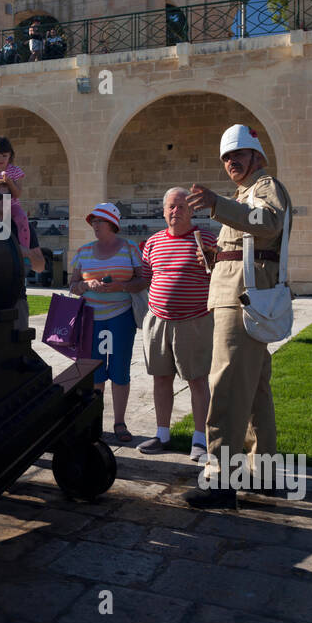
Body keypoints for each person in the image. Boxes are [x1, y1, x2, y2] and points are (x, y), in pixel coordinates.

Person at [184, 125, 293, 509]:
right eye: (227, 157)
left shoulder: (265, 187)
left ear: (257, 158)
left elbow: (268, 223)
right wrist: (214, 257)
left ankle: (220, 478)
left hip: (242, 299)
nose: (232, 162)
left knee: (227, 385)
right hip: (240, 294)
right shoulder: (246, 193)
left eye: (239, 155)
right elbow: (249, 247)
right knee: (255, 388)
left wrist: (216, 204)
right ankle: (261, 472)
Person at [134, 188, 218, 459]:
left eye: (181, 206)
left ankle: (200, 439)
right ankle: (162, 434)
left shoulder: (205, 238)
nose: (175, 211)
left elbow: (219, 274)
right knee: (161, 378)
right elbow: (145, 278)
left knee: (197, 380)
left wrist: (214, 260)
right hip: (158, 320)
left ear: (192, 211)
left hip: (194, 321)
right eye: (171, 206)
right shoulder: (153, 242)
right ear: (163, 210)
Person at [70, 203, 144, 443]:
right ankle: (95, 422)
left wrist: (121, 286)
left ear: (112, 224)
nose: (95, 225)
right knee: (96, 373)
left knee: (120, 371)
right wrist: (86, 285)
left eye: (99, 221)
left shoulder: (130, 248)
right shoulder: (83, 251)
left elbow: (143, 280)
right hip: (92, 320)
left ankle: (119, 423)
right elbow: (72, 286)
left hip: (121, 318)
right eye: (93, 221)